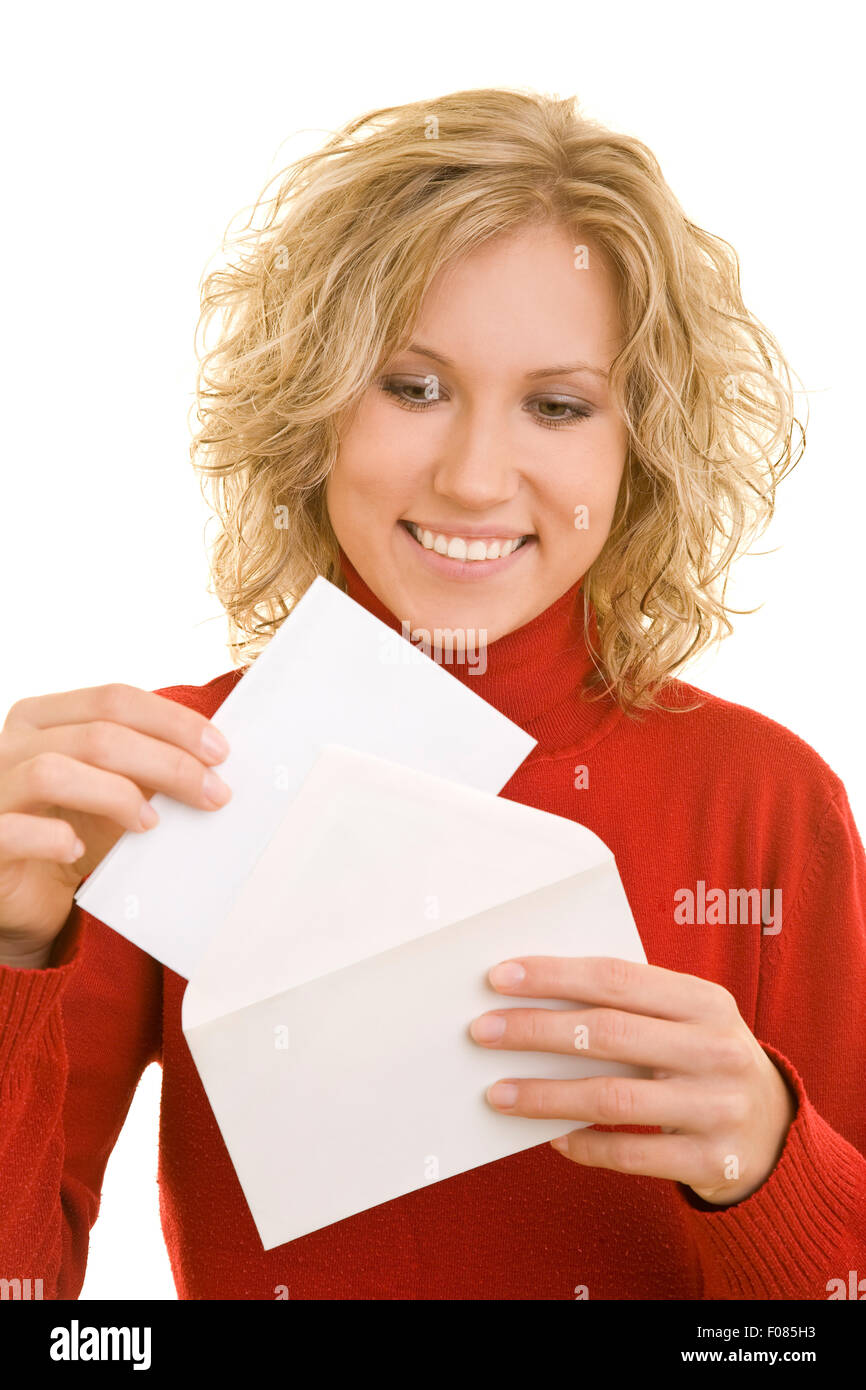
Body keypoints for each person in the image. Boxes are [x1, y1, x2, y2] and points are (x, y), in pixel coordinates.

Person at [1, 87, 863, 1301]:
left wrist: (770, 1157)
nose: (468, 476)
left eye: (557, 406)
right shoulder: (165, 773)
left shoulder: (765, 802)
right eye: (410, 387)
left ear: (640, 448)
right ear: (310, 405)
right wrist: (9, 952)